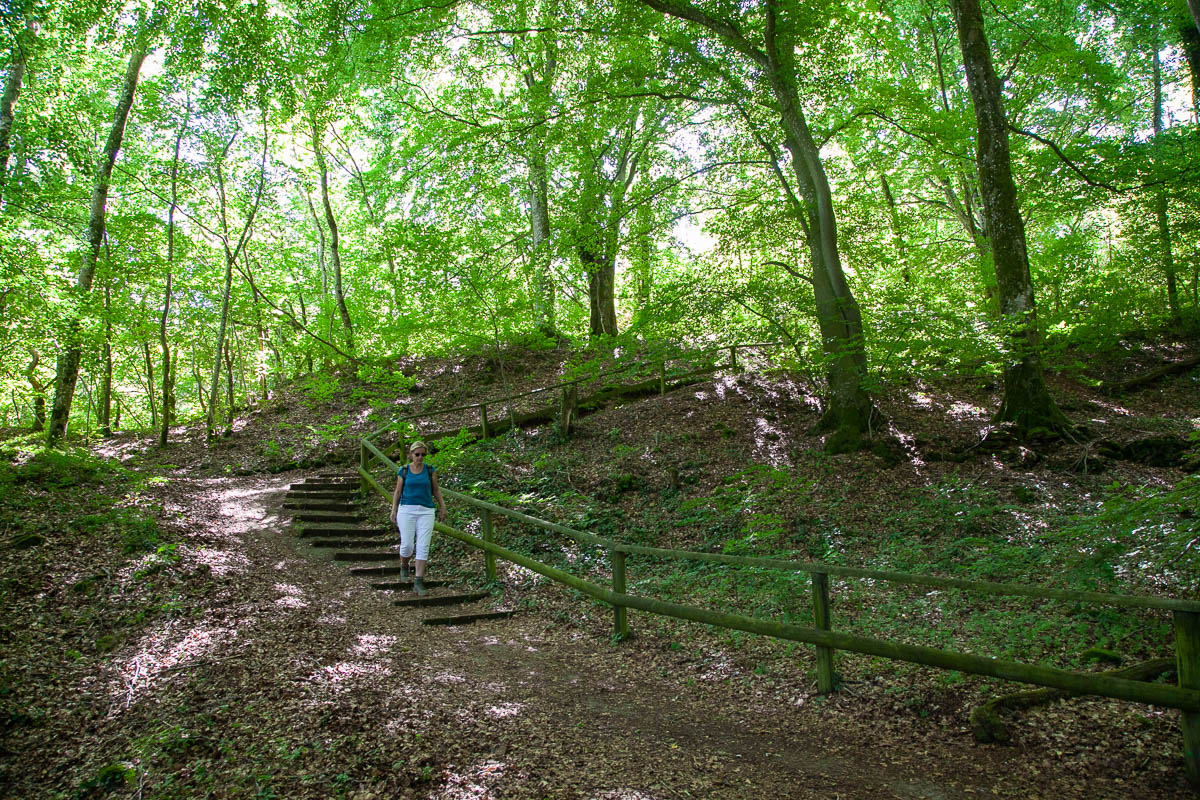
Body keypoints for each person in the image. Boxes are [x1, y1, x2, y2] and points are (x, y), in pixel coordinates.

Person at [389, 441, 447, 595]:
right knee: (407, 545)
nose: (420, 457)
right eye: (417, 454)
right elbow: (398, 491)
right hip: (406, 510)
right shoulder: (404, 471)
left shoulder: (429, 470)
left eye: (423, 455)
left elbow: (436, 490)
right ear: (411, 455)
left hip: (426, 511)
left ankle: (418, 581)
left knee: (423, 546)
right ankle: (404, 565)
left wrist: (442, 506)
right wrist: (394, 510)